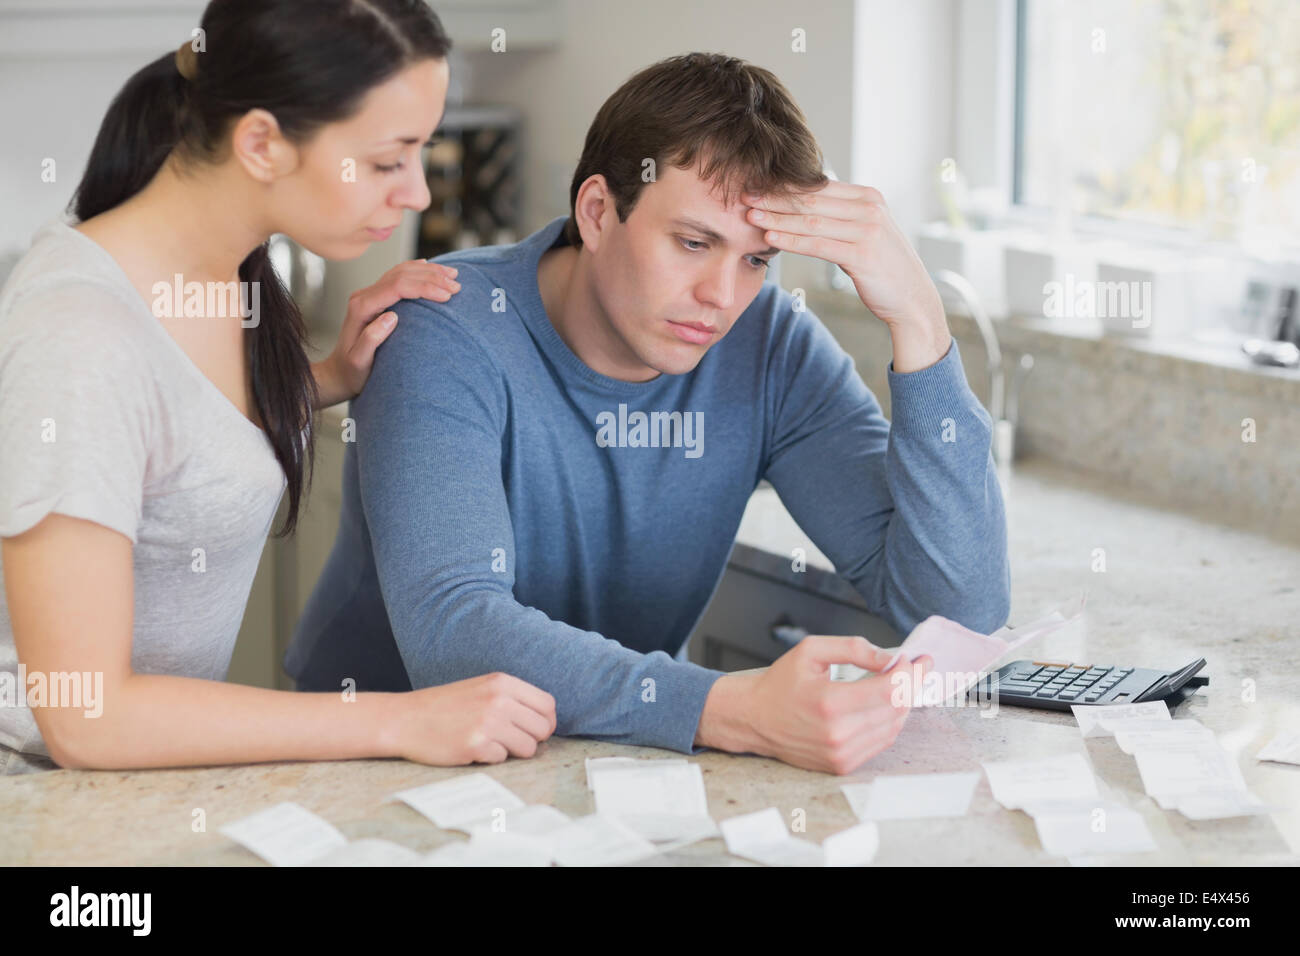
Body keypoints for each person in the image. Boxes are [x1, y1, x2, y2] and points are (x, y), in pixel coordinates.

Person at [287, 52, 1010, 776]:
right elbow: (456, 632)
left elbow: (957, 609)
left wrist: (920, 320)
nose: (722, 297)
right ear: (598, 212)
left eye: (756, 260)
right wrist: (730, 710)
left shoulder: (772, 349)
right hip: (376, 767)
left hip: (618, 760)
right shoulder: (445, 331)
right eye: (693, 243)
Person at [0, 0, 555, 774]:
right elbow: (89, 722)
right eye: (390, 158)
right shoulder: (80, 338)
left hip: (131, 785)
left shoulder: (225, 269)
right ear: (261, 142)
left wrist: (325, 379)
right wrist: (399, 720)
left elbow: (176, 433)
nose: (419, 194)